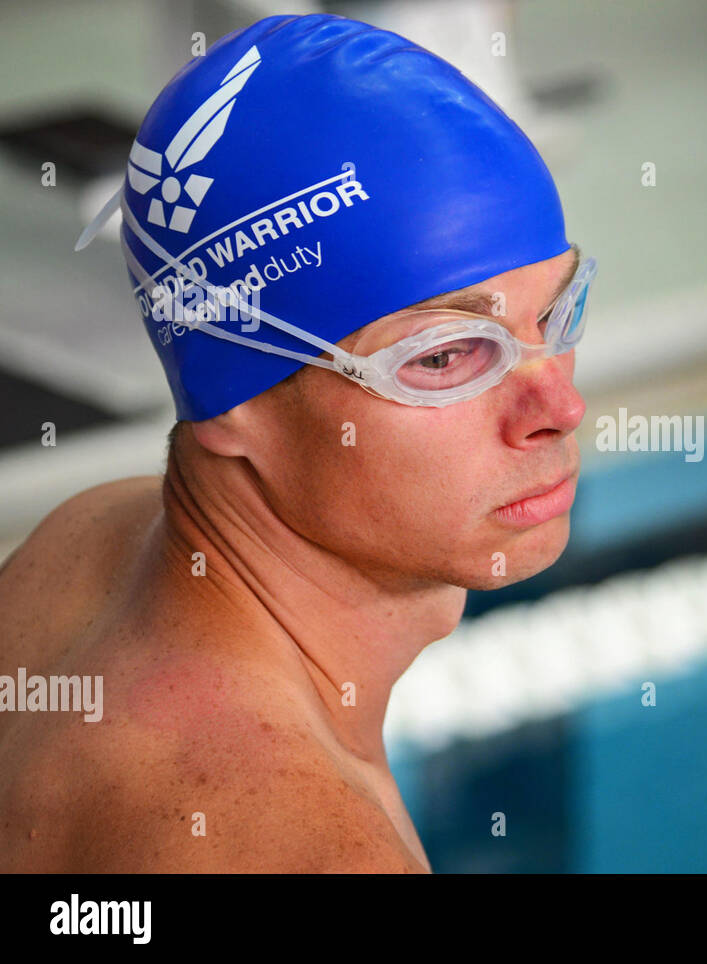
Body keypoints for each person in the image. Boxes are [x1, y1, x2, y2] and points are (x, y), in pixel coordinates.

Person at [0, 13, 594, 873]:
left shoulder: (84, 541)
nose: (559, 406)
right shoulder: (308, 845)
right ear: (234, 403)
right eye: (444, 355)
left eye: (557, 314)